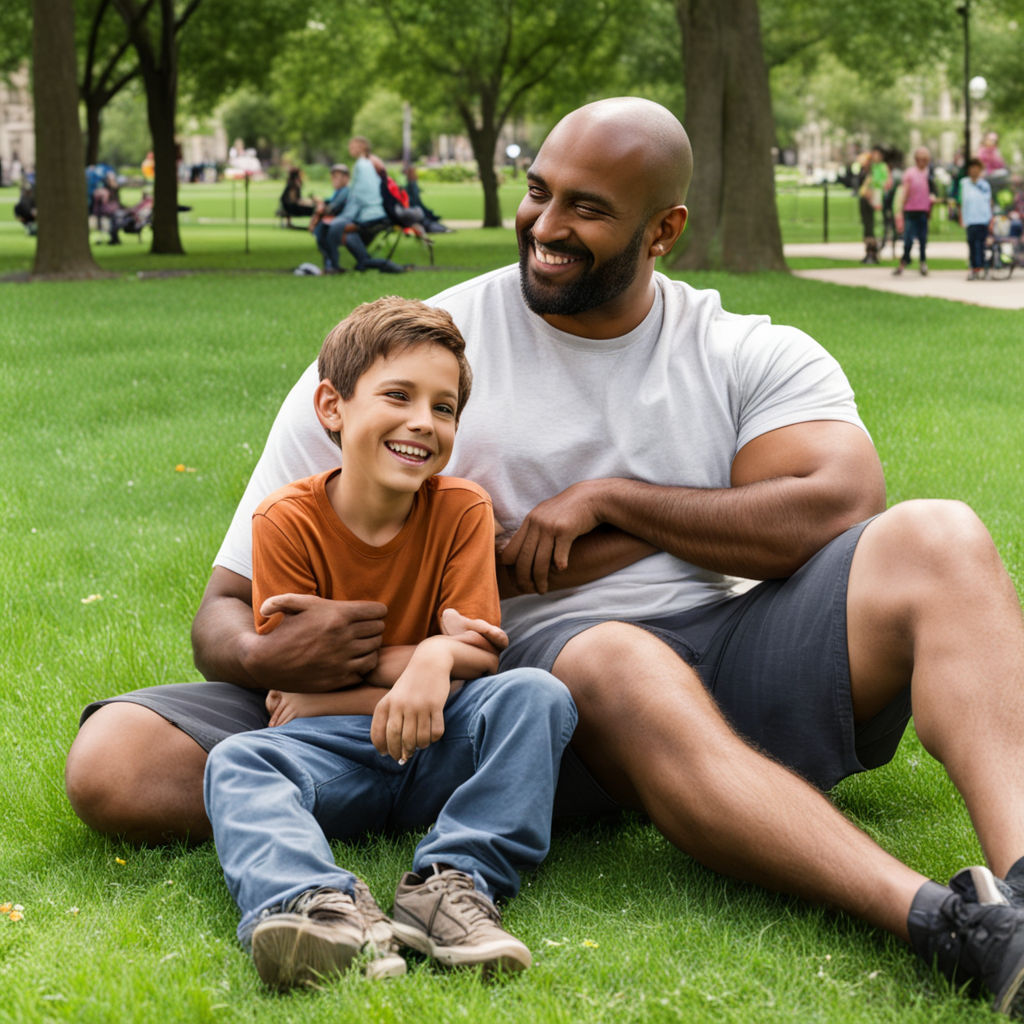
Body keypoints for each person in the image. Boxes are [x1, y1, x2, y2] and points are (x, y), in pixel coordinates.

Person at [67, 97, 1024, 1014]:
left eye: (588, 208)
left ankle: (1016, 890)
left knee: (938, 535)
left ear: (663, 231)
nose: (546, 224)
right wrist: (272, 659)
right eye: (540, 191)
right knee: (118, 762)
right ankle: (945, 923)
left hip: (737, 649)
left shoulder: (741, 350)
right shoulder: (415, 360)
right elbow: (224, 612)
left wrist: (618, 506)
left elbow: (841, 501)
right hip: (515, 694)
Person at [203, 296, 576, 988]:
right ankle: (321, 907)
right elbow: (294, 687)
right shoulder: (285, 521)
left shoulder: (463, 509)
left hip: (438, 743)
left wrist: (440, 658)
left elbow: (480, 657)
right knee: (237, 759)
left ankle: (452, 885)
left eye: (444, 408)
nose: (422, 422)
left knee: (536, 693)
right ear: (332, 407)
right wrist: (426, 660)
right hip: (337, 752)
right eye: (398, 396)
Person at [329, 136, 404, 274]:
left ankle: (334, 265)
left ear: (362, 147)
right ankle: (363, 262)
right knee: (349, 235)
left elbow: (360, 195)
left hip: (369, 216)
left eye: (352, 146)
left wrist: (345, 214)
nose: (349, 149)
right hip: (374, 213)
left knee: (335, 229)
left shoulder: (361, 165)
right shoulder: (367, 164)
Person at [893, 146, 936, 276]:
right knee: (908, 239)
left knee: (923, 239)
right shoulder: (910, 173)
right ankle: (904, 260)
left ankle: (923, 262)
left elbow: (933, 191)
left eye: (925, 158)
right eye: (920, 158)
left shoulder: (929, 174)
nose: (922, 160)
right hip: (910, 210)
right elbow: (904, 191)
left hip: (923, 210)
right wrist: (900, 208)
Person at [310, 164, 350, 274]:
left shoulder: (345, 190)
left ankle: (332, 265)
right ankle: (330, 265)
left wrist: (322, 207)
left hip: (338, 221)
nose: (333, 180)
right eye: (332, 177)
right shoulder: (339, 191)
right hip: (332, 221)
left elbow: (333, 207)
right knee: (322, 237)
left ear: (346, 178)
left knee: (324, 237)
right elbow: (330, 202)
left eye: (336, 176)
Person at [960, 157, 994, 280]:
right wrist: (962, 218)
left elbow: (988, 202)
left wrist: (990, 219)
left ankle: (981, 267)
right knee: (972, 245)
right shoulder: (964, 184)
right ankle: (974, 268)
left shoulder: (984, 185)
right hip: (970, 220)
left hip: (982, 220)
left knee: (980, 245)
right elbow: (962, 202)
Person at [856, 146, 890, 265]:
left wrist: (874, 193)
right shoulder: (869, 167)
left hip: (875, 199)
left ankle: (874, 252)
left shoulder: (882, 167)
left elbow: (884, 183)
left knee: (875, 226)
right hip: (865, 198)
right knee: (867, 226)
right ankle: (868, 251)